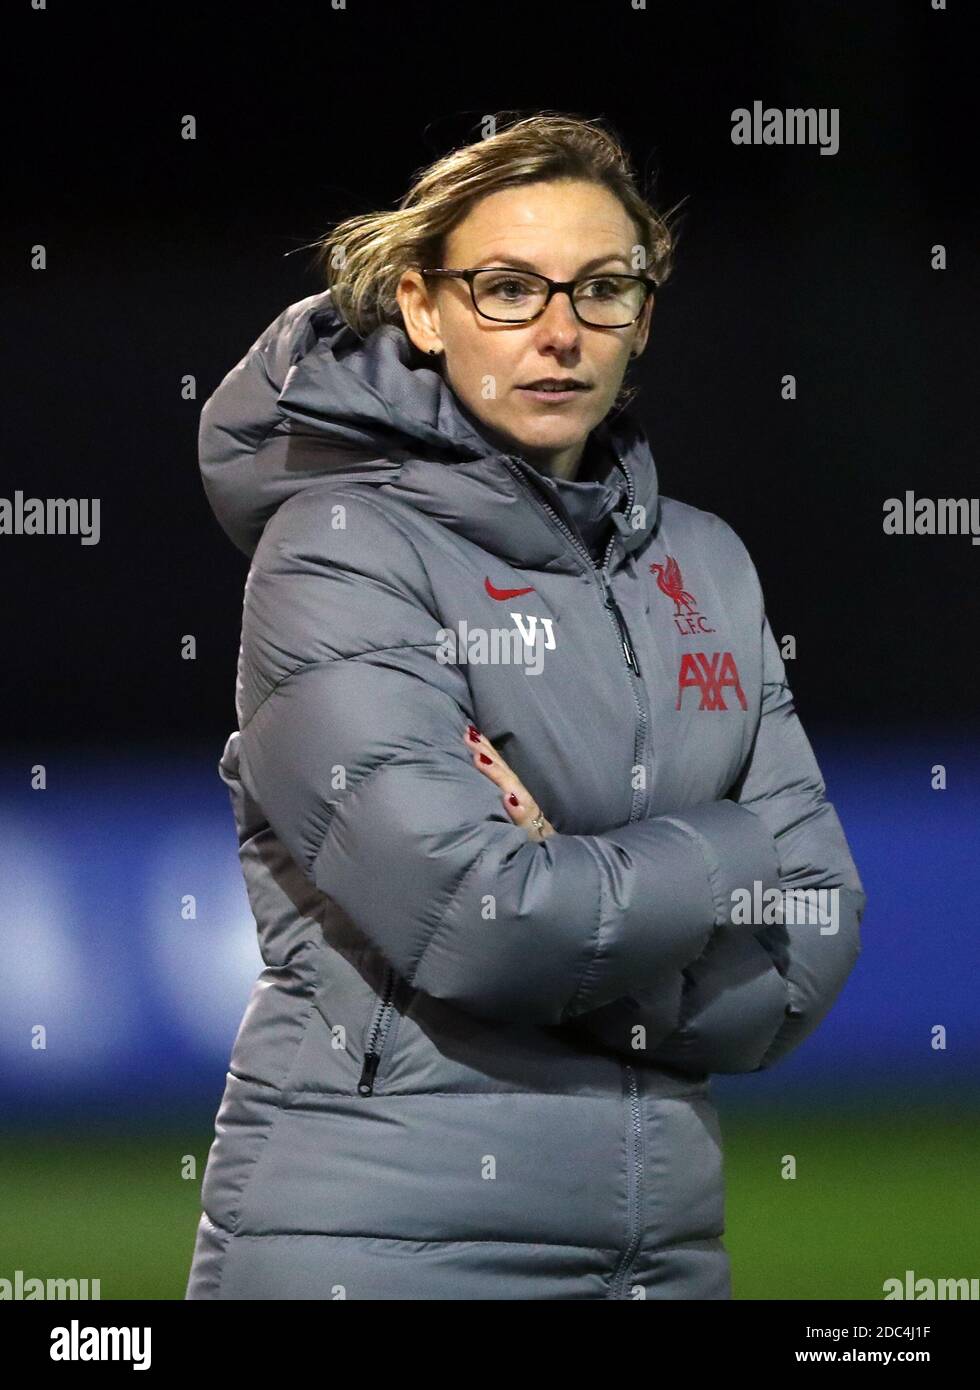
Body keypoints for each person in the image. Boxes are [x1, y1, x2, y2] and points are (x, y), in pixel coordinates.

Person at [185, 112, 866, 1301]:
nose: (557, 333)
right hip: (376, 1253)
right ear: (420, 306)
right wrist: (724, 850)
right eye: (505, 289)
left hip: (660, 1261)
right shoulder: (337, 551)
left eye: (600, 289)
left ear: (642, 316)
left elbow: (803, 951)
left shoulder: (704, 564)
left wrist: (578, 892)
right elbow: (488, 924)